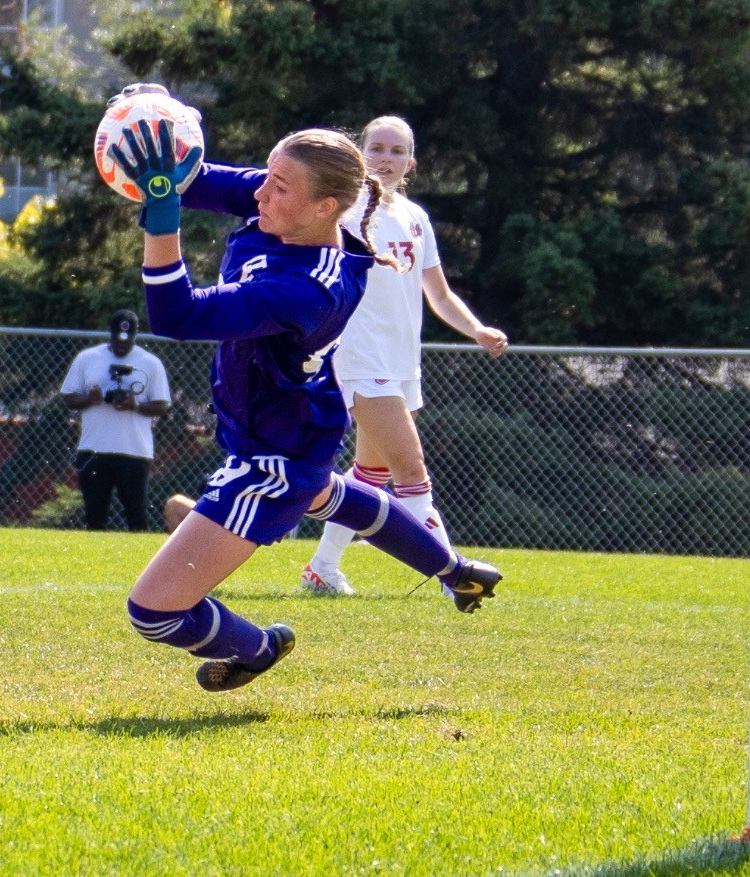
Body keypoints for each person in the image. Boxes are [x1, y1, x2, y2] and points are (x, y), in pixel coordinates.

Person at [105, 91, 501, 692]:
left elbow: (176, 315)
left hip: (273, 457)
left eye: (279, 186)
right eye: (266, 175)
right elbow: (201, 180)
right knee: (329, 494)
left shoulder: (306, 289)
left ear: (326, 207)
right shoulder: (288, 206)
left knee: (154, 613)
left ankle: (258, 648)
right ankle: (457, 569)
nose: (261, 191)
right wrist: (163, 159)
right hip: (297, 422)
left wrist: (162, 218)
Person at [301, 116, 509, 597]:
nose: (385, 159)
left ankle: (322, 567)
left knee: (369, 474)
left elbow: (437, 292)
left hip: (399, 362)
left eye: (397, 151)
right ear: (360, 153)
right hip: (356, 356)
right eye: (376, 148)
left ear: (410, 163)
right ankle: (454, 576)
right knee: (411, 470)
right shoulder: (343, 211)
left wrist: (476, 329)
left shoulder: (415, 217)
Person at [59, 309, 171, 531]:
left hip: (134, 450)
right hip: (94, 448)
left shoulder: (150, 363)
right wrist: (90, 399)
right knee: (94, 517)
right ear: (110, 334)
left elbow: (163, 405)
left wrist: (135, 405)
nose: (122, 345)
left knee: (136, 516)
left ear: (135, 337)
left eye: (127, 341)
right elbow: (69, 396)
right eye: (117, 340)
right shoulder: (88, 358)